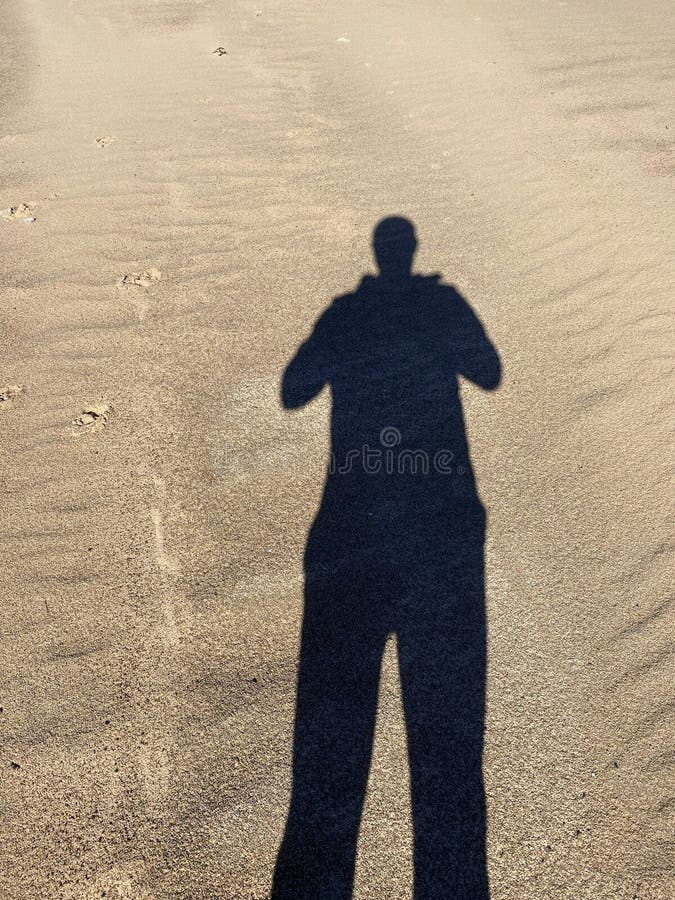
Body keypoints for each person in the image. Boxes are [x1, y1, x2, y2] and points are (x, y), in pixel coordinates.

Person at [272, 217, 501, 899]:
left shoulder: (345, 312)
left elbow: (293, 389)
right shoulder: (442, 302)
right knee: (448, 747)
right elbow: (486, 373)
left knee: (332, 746)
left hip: (350, 526)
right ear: (411, 254)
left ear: (378, 255)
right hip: (442, 529)